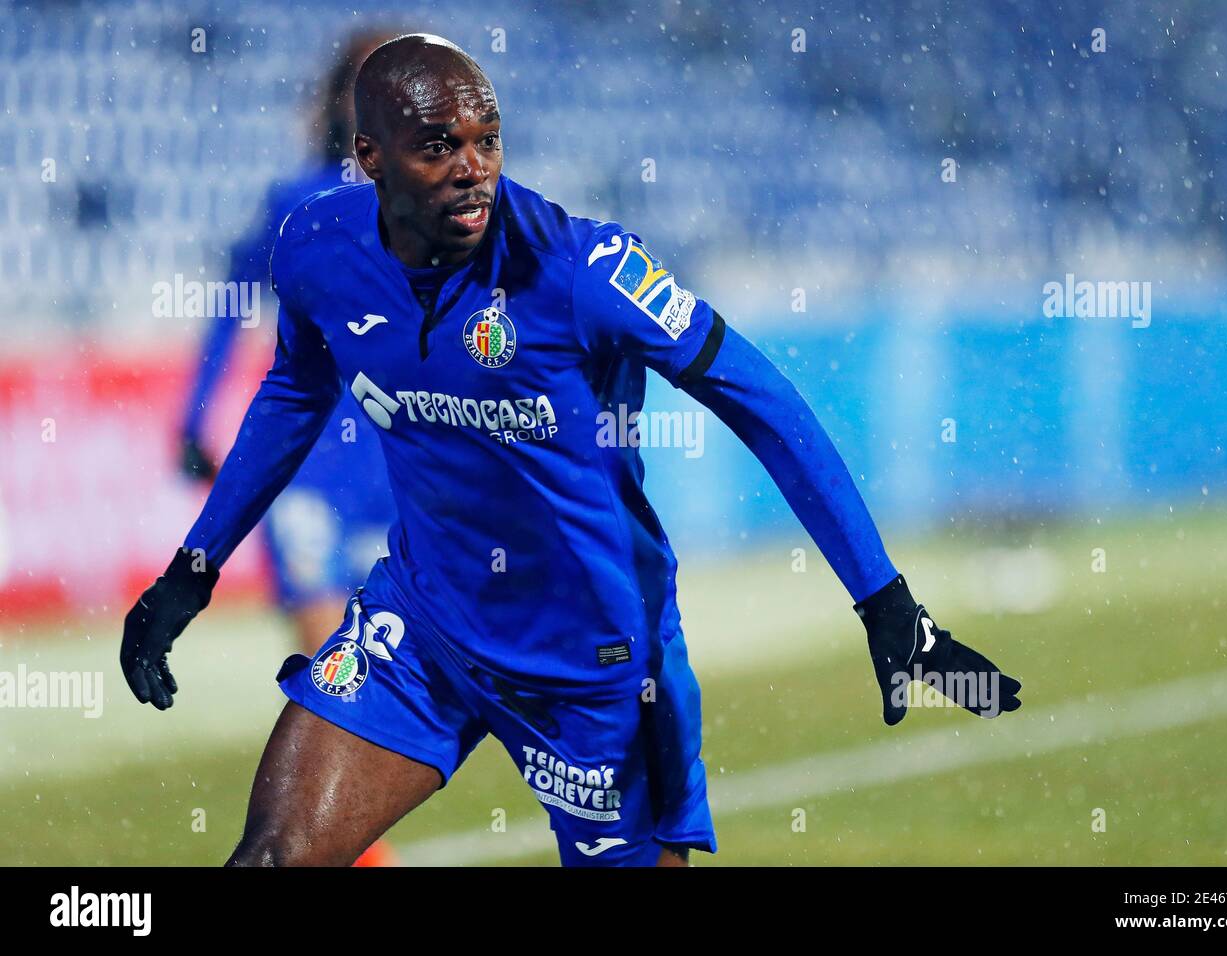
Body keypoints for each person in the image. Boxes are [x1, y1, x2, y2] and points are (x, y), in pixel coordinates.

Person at [121, 33, 1021, 868]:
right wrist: (190, 573)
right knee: (273, 859)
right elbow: (294, 393)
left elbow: (765, 402)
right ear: (369, 160)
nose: (474, 170)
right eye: (439, 146)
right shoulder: (316, 246)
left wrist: (887, 605)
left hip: (595, 670)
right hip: (423, 628)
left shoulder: (581, 269)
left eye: (489, 139)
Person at [176, 31, 399, 867]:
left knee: (385, 680)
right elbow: (232, 301)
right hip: (308, 468)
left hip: (395, 471)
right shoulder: (296, 203)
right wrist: (192, 419)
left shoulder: (436, 210)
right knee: (327, 667)